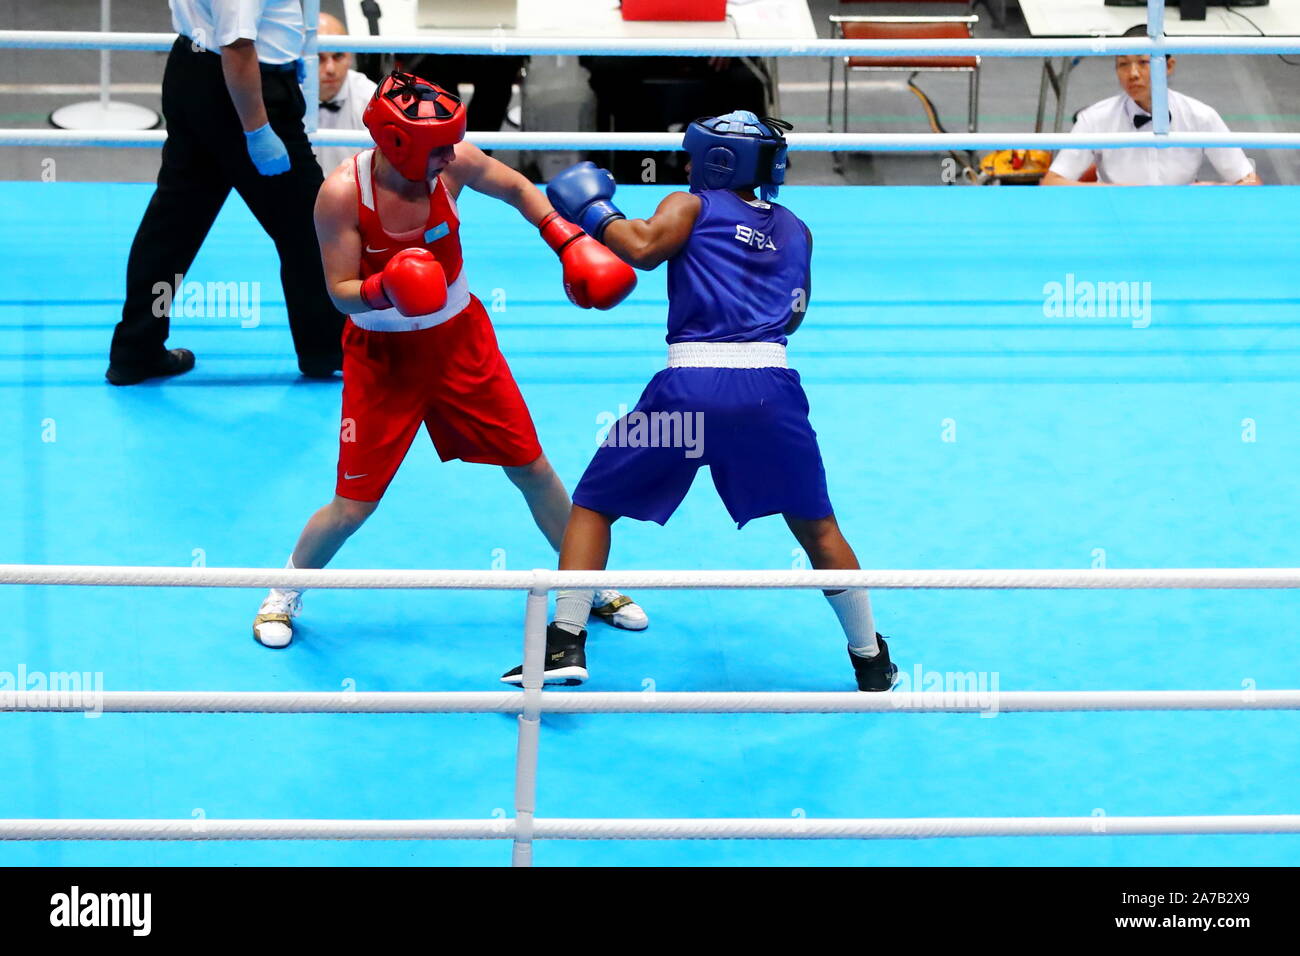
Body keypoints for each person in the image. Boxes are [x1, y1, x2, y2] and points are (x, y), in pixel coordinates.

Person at [501, 112, 897, 692]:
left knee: (591, 505)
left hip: (689, 392)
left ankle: (563, 646)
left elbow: (640, 248)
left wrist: (592, 211)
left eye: (693, 157)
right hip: (772, 392)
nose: (685, 167)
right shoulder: (797, 228)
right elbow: (794, 313)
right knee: (818, 530)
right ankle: (870, 660)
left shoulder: (688, 207)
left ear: (716, 162)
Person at [252, 72, 648, 648]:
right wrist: (387, 286)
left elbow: (517, 188)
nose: (449, 156)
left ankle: (585, 582)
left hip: (461, 343)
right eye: (435, 147)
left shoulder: (452, 161)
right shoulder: (341, 194)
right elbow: (337, 288)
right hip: (382, 358)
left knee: (532, 469)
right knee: (352, 505)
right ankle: (281, 592)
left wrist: (565, 242)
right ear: (396, 143)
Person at [108, 0, 346, 385]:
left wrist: (284, 52)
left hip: (202, 71)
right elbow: (236, 44)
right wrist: (257, 130)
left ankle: (136, 349)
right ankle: (329, 349)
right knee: (313, 223)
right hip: (241, 87)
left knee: (172, 225)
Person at [1042, 31, 1261, 187]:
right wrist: (1113, 192)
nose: (1133, 74)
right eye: (1123, 64)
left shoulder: (1201, 116)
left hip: (1178, 221)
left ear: (1169, 66)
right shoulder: (1095, 119)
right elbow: (1052, 183)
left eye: (1143, 63)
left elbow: (1249, 181)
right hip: (1115, 216)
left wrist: (1210, 192)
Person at [313, 12, 377, 175]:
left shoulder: (370, 97)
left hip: (356, 194)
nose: (330, 69)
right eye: (319, 58)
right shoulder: (285, 99)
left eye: (338, 56)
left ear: (350, 56)